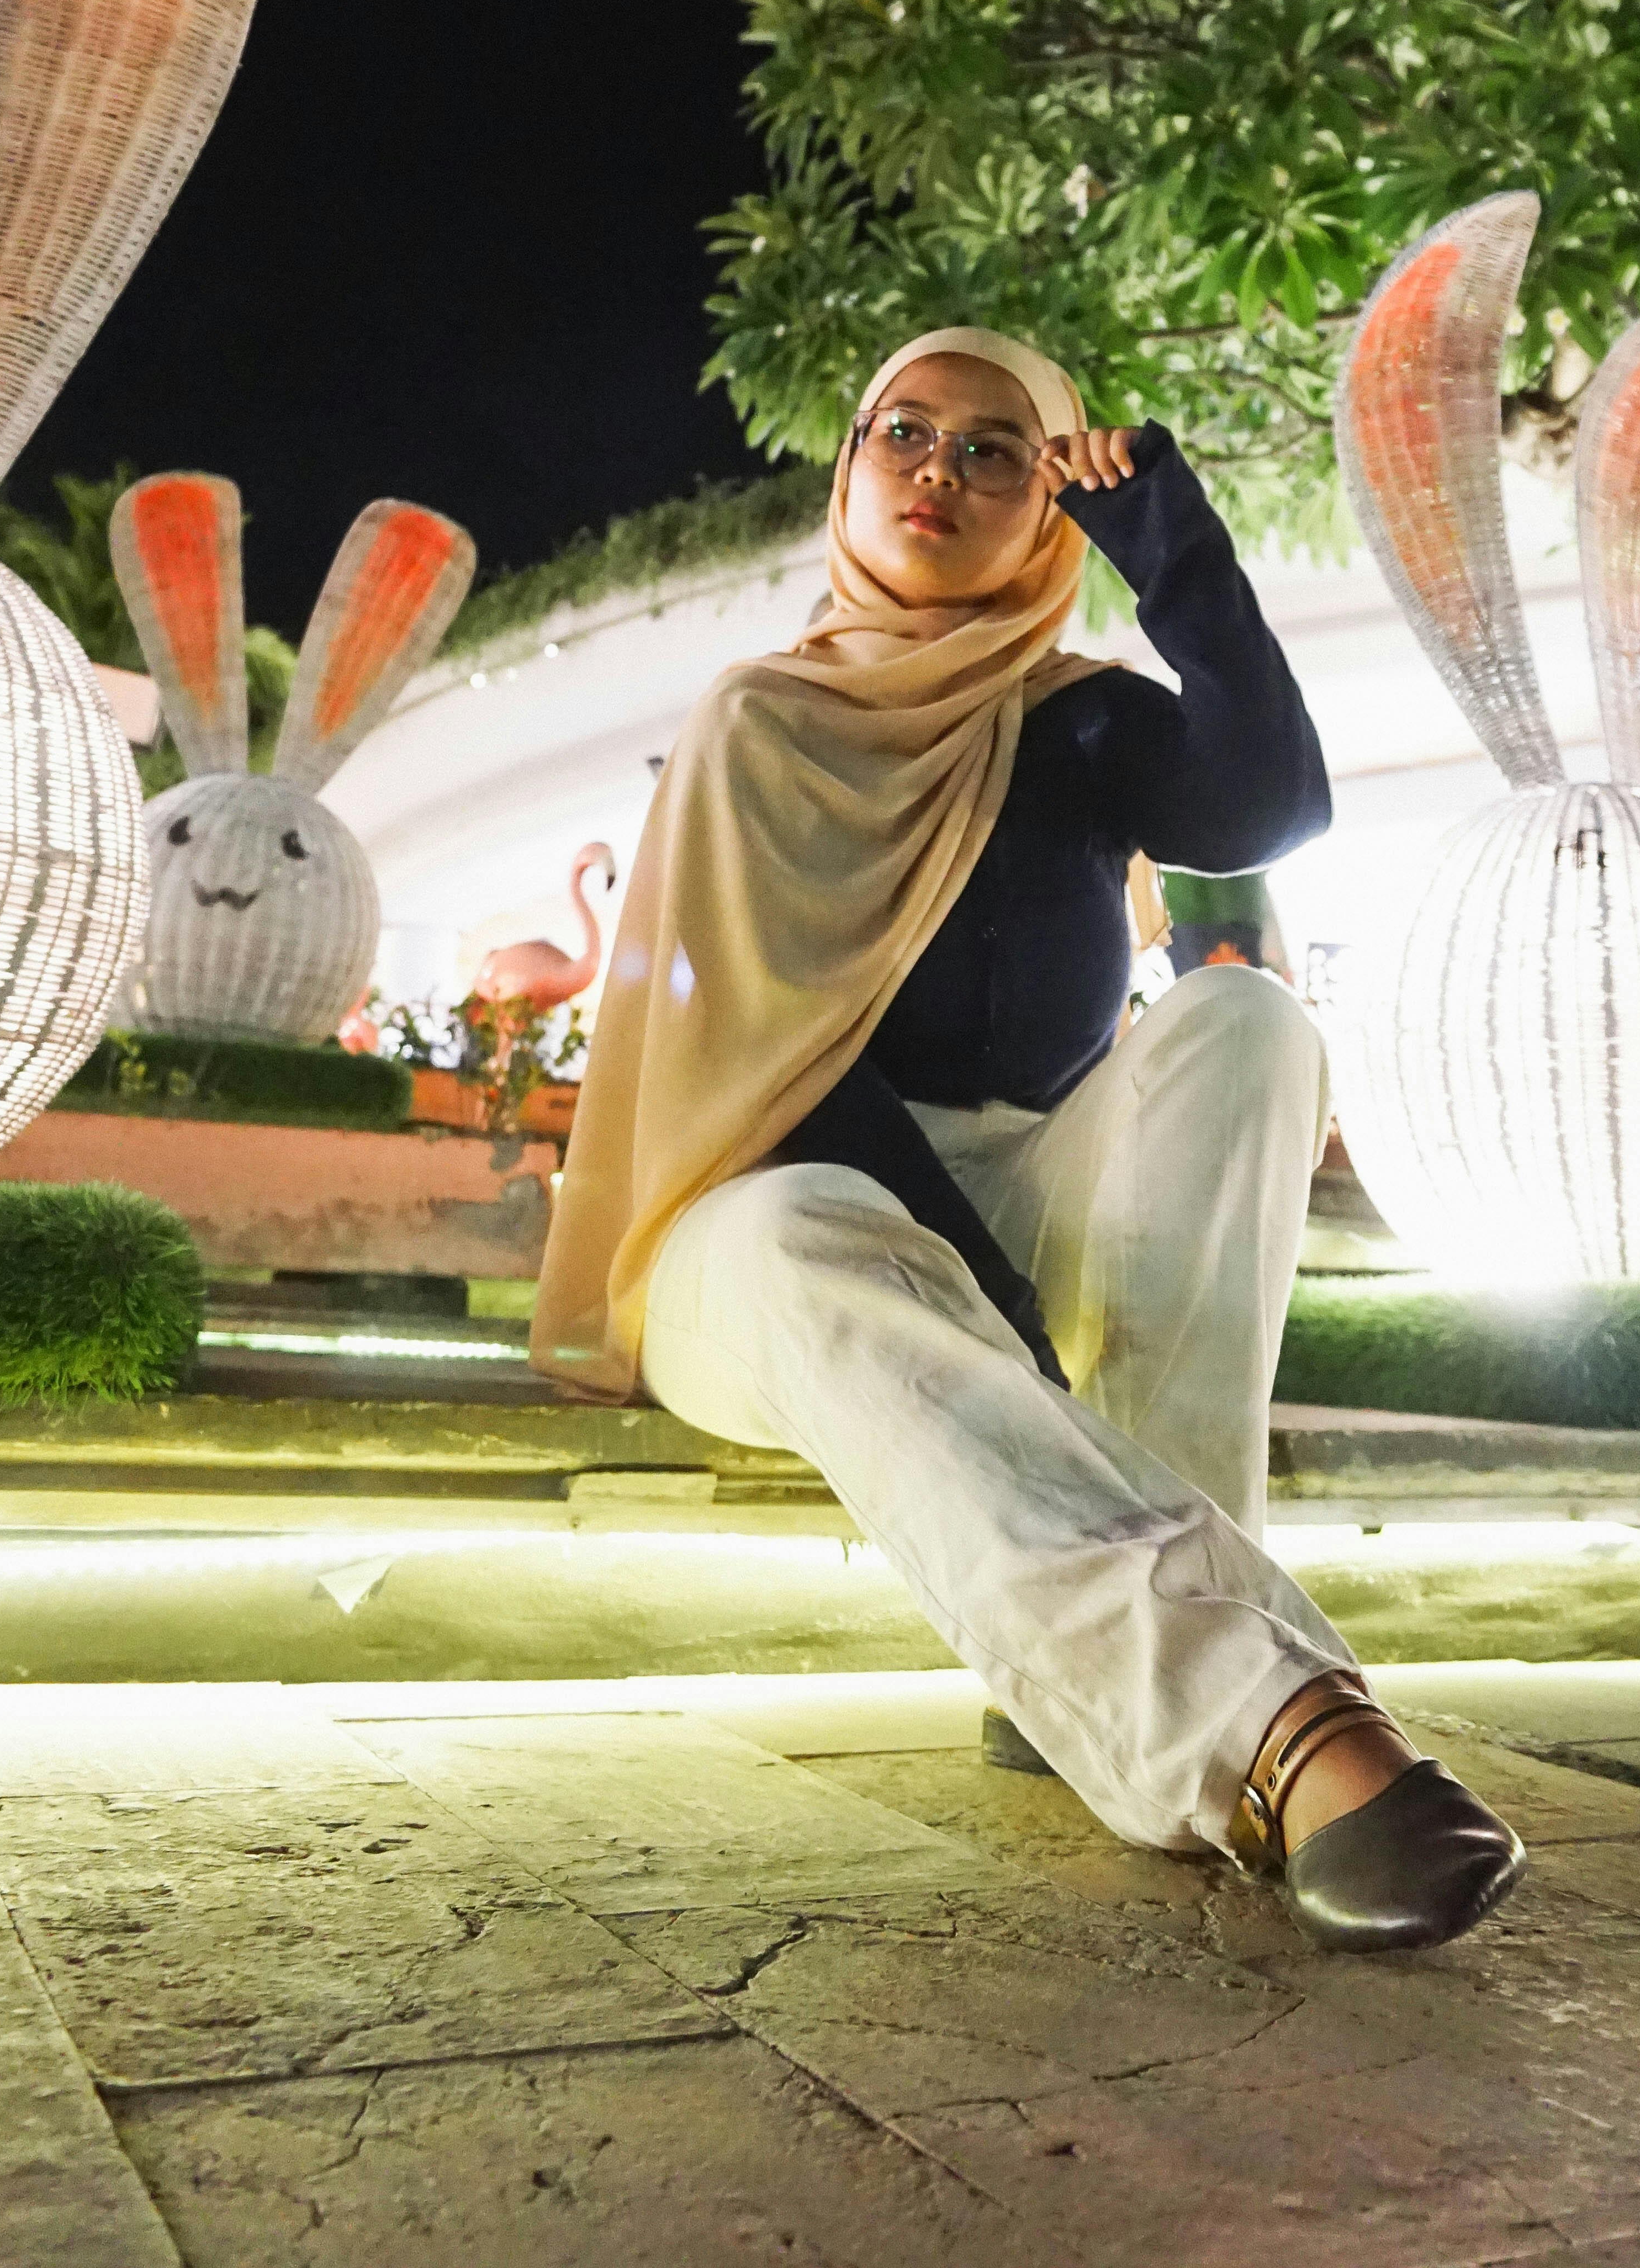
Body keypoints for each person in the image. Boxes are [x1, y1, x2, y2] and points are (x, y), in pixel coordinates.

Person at [532, 325, 1522, 1951]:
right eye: (904, 433)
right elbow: (785, 1075)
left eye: (1000, 448)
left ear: (1052, 501)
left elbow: (1264, 811)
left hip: (1029, 1189)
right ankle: (1270, 1723)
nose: (941, 468)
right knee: (802, 1234)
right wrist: (997, 1315)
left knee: (1249, 1024)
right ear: (850, 472)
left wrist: (1176, 558)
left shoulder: (1069, 715)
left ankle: (1108, 1686)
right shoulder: (762, 722)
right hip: (768, 1222)